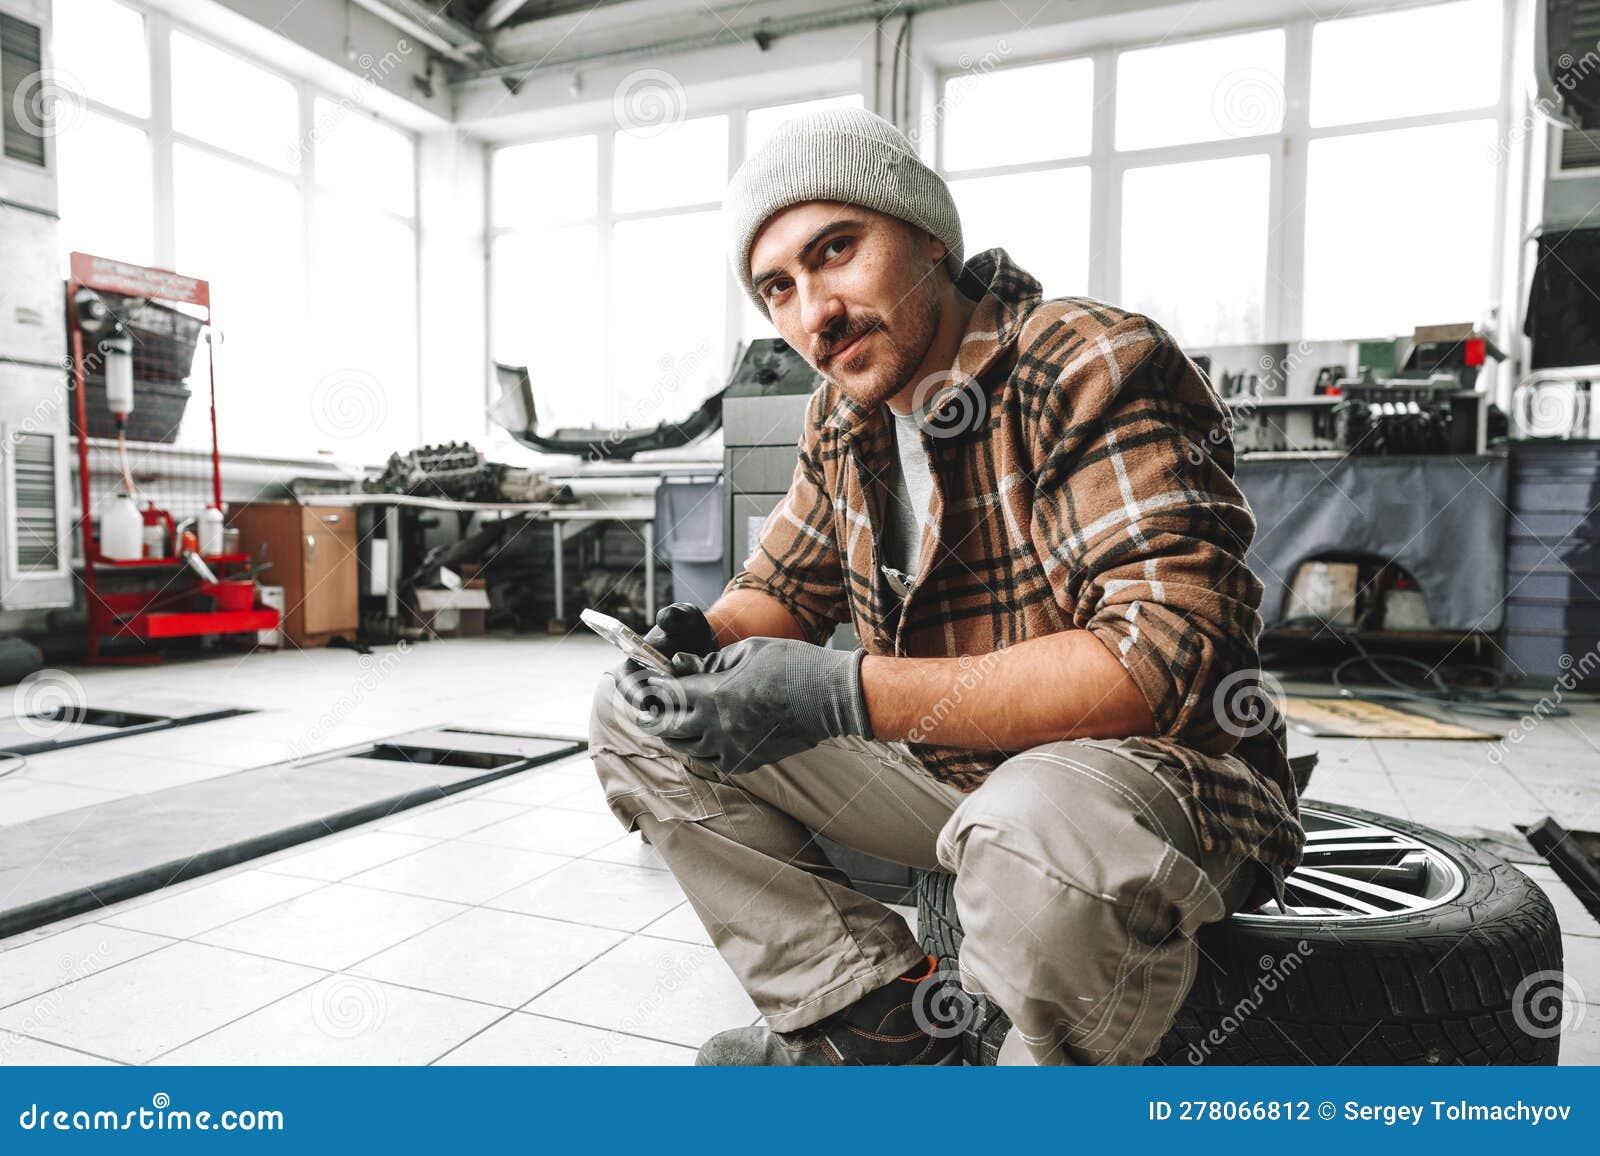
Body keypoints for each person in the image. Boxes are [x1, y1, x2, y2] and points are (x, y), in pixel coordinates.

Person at [589, 108, 1302, 1066]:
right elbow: (784, 590)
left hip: (1155, 788)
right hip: (954, 777)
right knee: (634, 716)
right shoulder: (844, 414)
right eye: (778, 288)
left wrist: (841, 693)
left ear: (930, 236)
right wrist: (701, 639)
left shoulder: (1088, 362)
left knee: (1033, 820)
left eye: (835, 251)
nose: (816, 313)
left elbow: (1160, 662)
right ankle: (873, 1027)